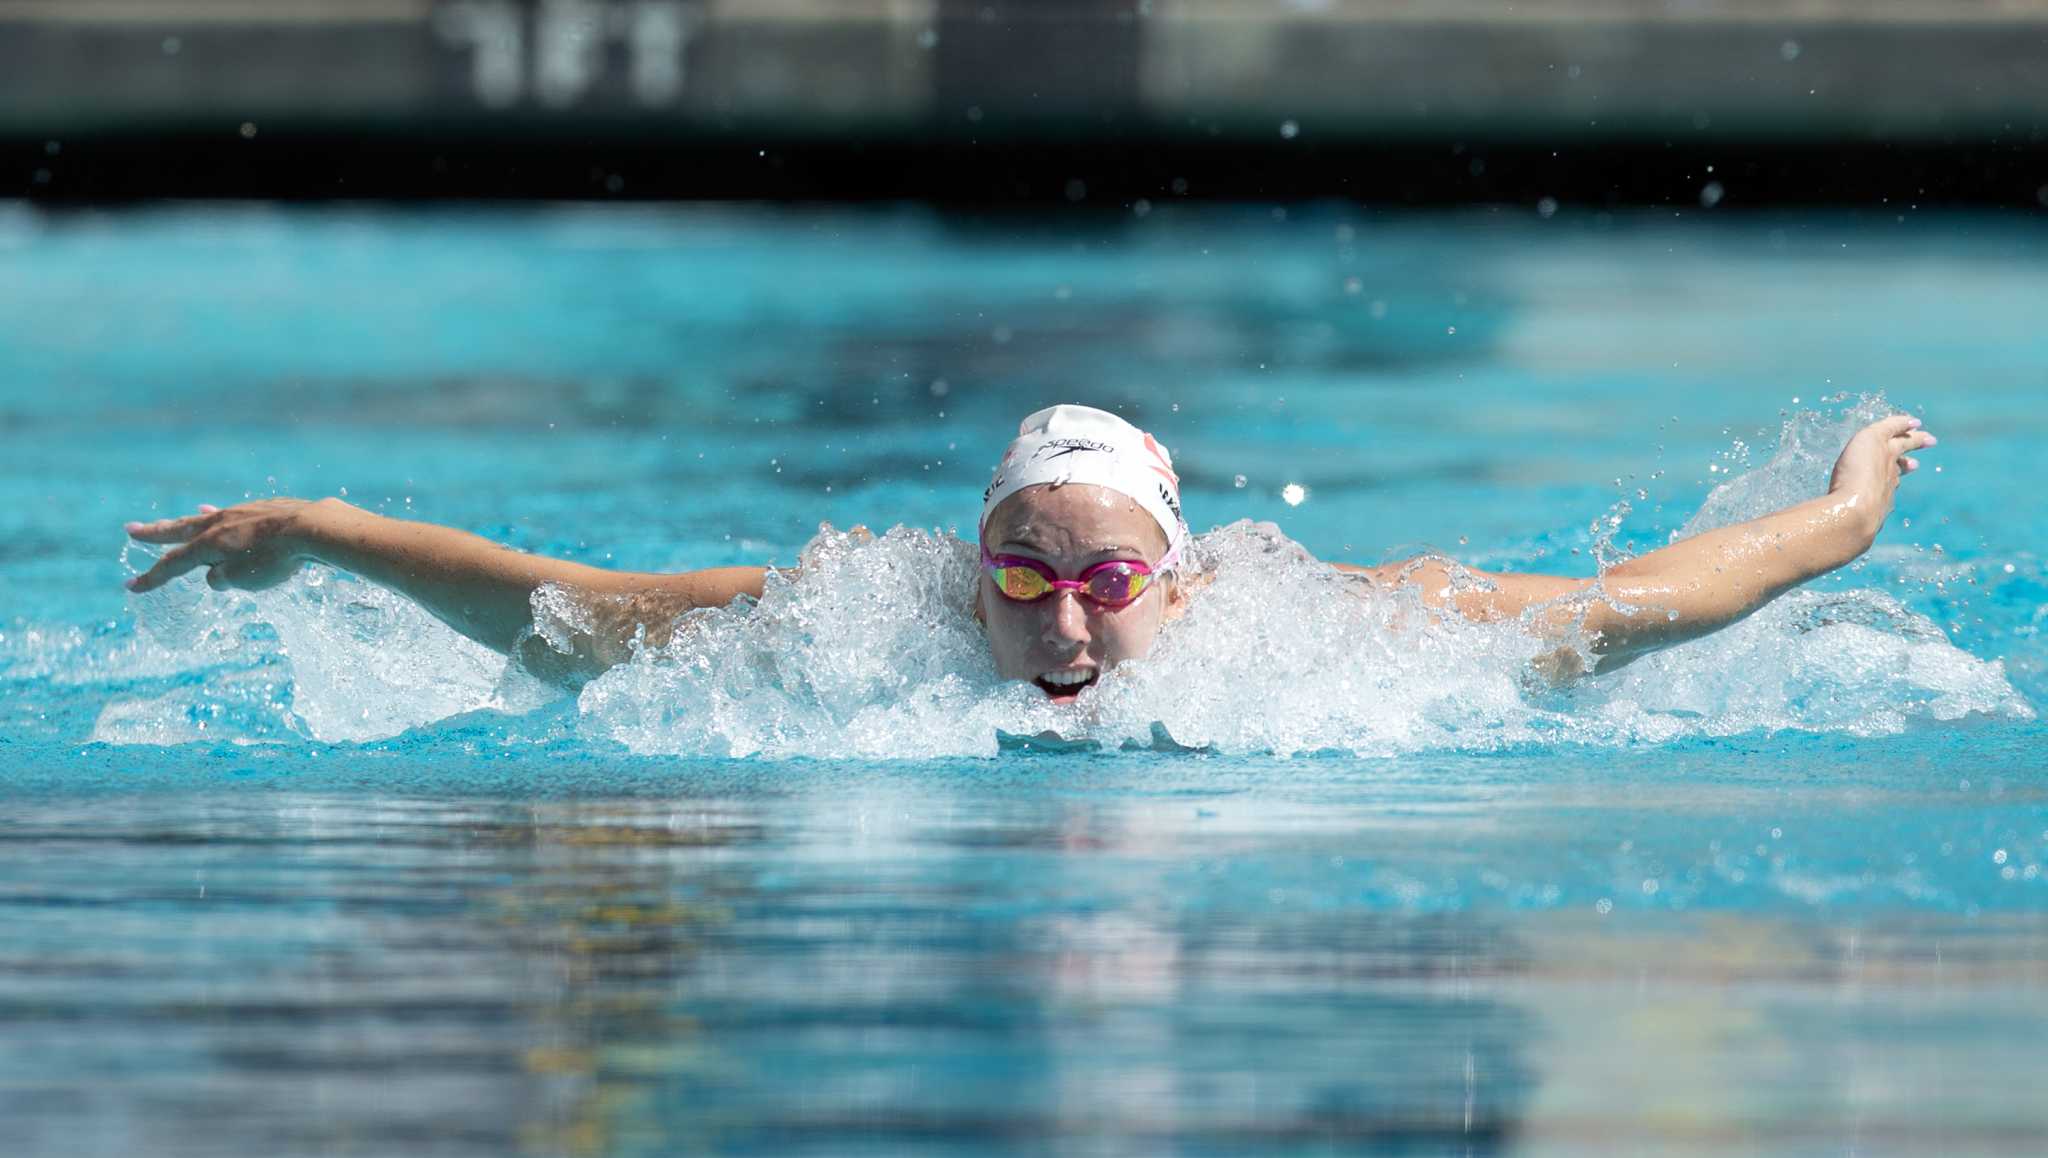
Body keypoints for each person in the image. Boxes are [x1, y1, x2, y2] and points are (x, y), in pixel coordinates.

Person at [123, 403, 1935, 700]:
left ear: (1176, 576)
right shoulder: (870, 626)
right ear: (968, 559)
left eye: (1103, 580)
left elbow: (1648, 606)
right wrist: (335, 536)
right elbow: (569, 616)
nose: (1062, 619)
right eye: (1022, 573)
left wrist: (1845, 516)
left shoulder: (1329, 643)